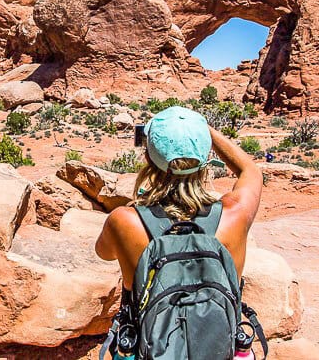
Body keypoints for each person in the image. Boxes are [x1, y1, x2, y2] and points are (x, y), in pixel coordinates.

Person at [95, 106, 263, 358]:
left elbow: (103, 253)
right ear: (206, 158)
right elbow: (251, 171)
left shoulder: (125, 221)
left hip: (147, 348)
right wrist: (201, 129)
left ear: (149, 158)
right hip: (220, 348)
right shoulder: (234, 215)